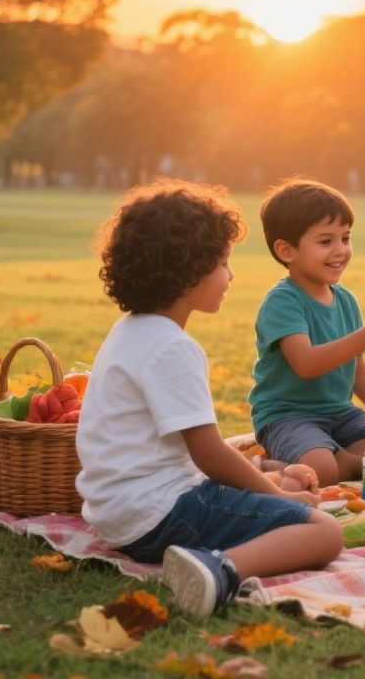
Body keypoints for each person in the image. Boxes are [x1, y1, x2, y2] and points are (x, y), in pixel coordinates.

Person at [77, 180, 343, 618]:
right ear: (188, 272)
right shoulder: (172, 348)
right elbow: (210, 456)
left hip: (121, 513)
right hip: (160, 514)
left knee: (286, 480)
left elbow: (175, 452)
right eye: (223, 263)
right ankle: (219, 570)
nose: (230, 275)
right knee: (323, 531)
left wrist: (269, 472)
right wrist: (281, 500)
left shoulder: (130, 331)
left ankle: (251, 514)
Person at [249, 178, 365, 488]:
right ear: (286, 250)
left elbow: (357, 371)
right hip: (287, 416)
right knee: (321, 468)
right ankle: (265, 467)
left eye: (345, 238)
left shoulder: (345, 300)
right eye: (326, 241)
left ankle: (345, 463)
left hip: (340, 414)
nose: (340, 250)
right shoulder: (283, 301)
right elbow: (306, 363)